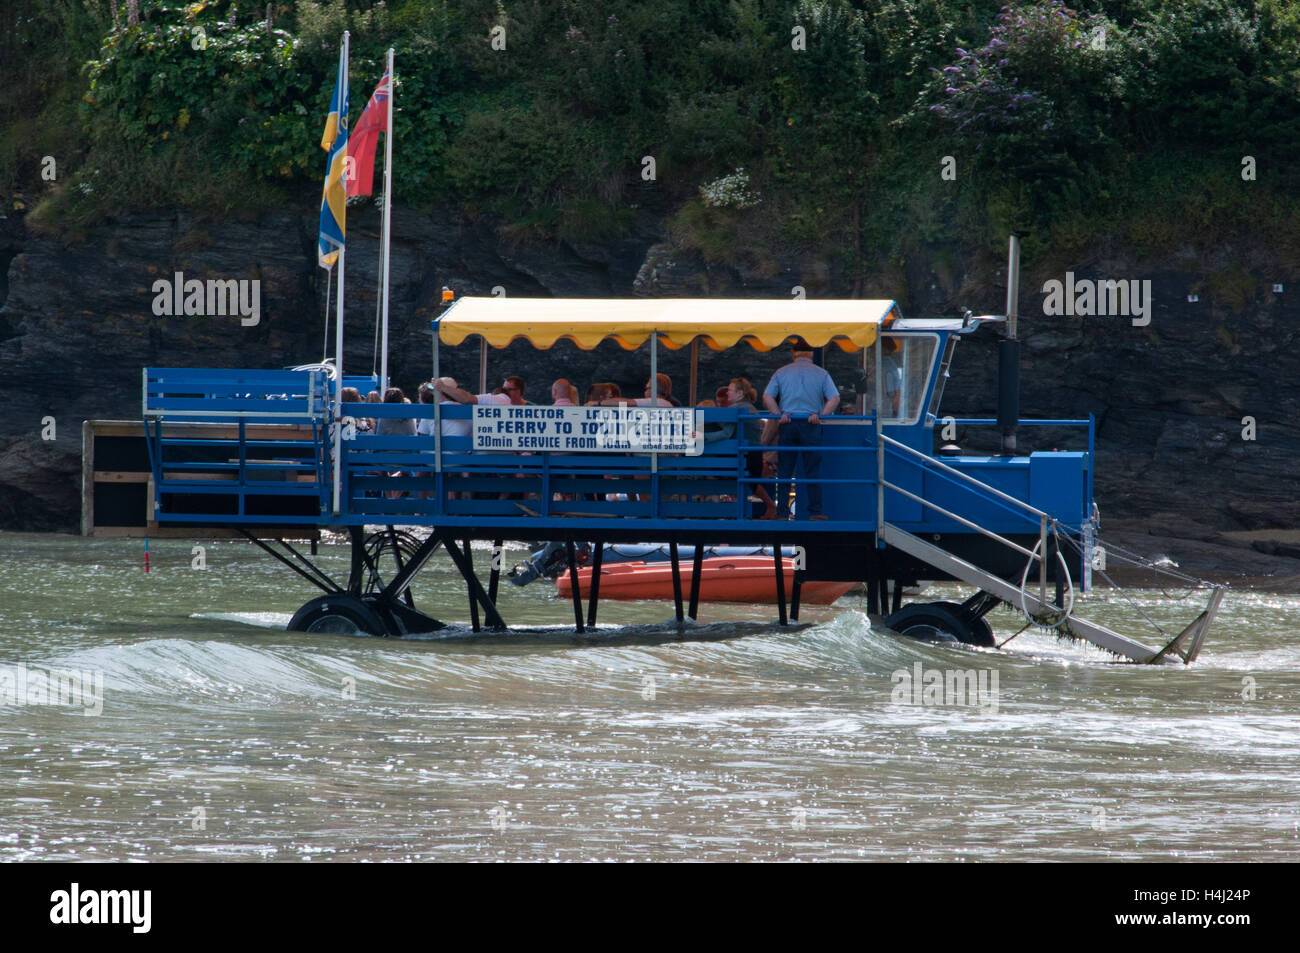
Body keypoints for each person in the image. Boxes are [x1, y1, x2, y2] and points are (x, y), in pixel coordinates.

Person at [762, 337, 839, 520]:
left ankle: (781, 512)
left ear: (793, 353)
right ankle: (815, 512)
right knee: (812, 470)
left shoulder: (781, 373)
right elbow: (834, 398)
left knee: (785, 471)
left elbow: (767, 396)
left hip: (787, 423)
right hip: (810, 424)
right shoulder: (822, 374)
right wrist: (821, 416)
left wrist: (778, 414)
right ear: (811, 353)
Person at [725, 377, 777, 519]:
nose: (727, 393)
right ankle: (770, 507)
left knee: (710, 468)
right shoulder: (750, 408)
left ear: (740, 393)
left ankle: (719, 508)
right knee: (751, 481)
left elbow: (721, 427)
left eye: (730, 390)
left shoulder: (735, 409)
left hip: (745, 456)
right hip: (753, 455)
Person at [435, 374, 526, 406]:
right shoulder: (498, 400)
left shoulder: (494, 399)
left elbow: (467, 399)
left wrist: (443, 387)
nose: (504, 391)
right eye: (503, 389)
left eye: (508, 389)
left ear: (519, 391)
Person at [599, 373, 672, 407]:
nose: (645, 392)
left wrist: (599, 403)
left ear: (653, 390)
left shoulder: (654, 402)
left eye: (646, 388)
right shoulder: (667, 404)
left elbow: (627, 403)